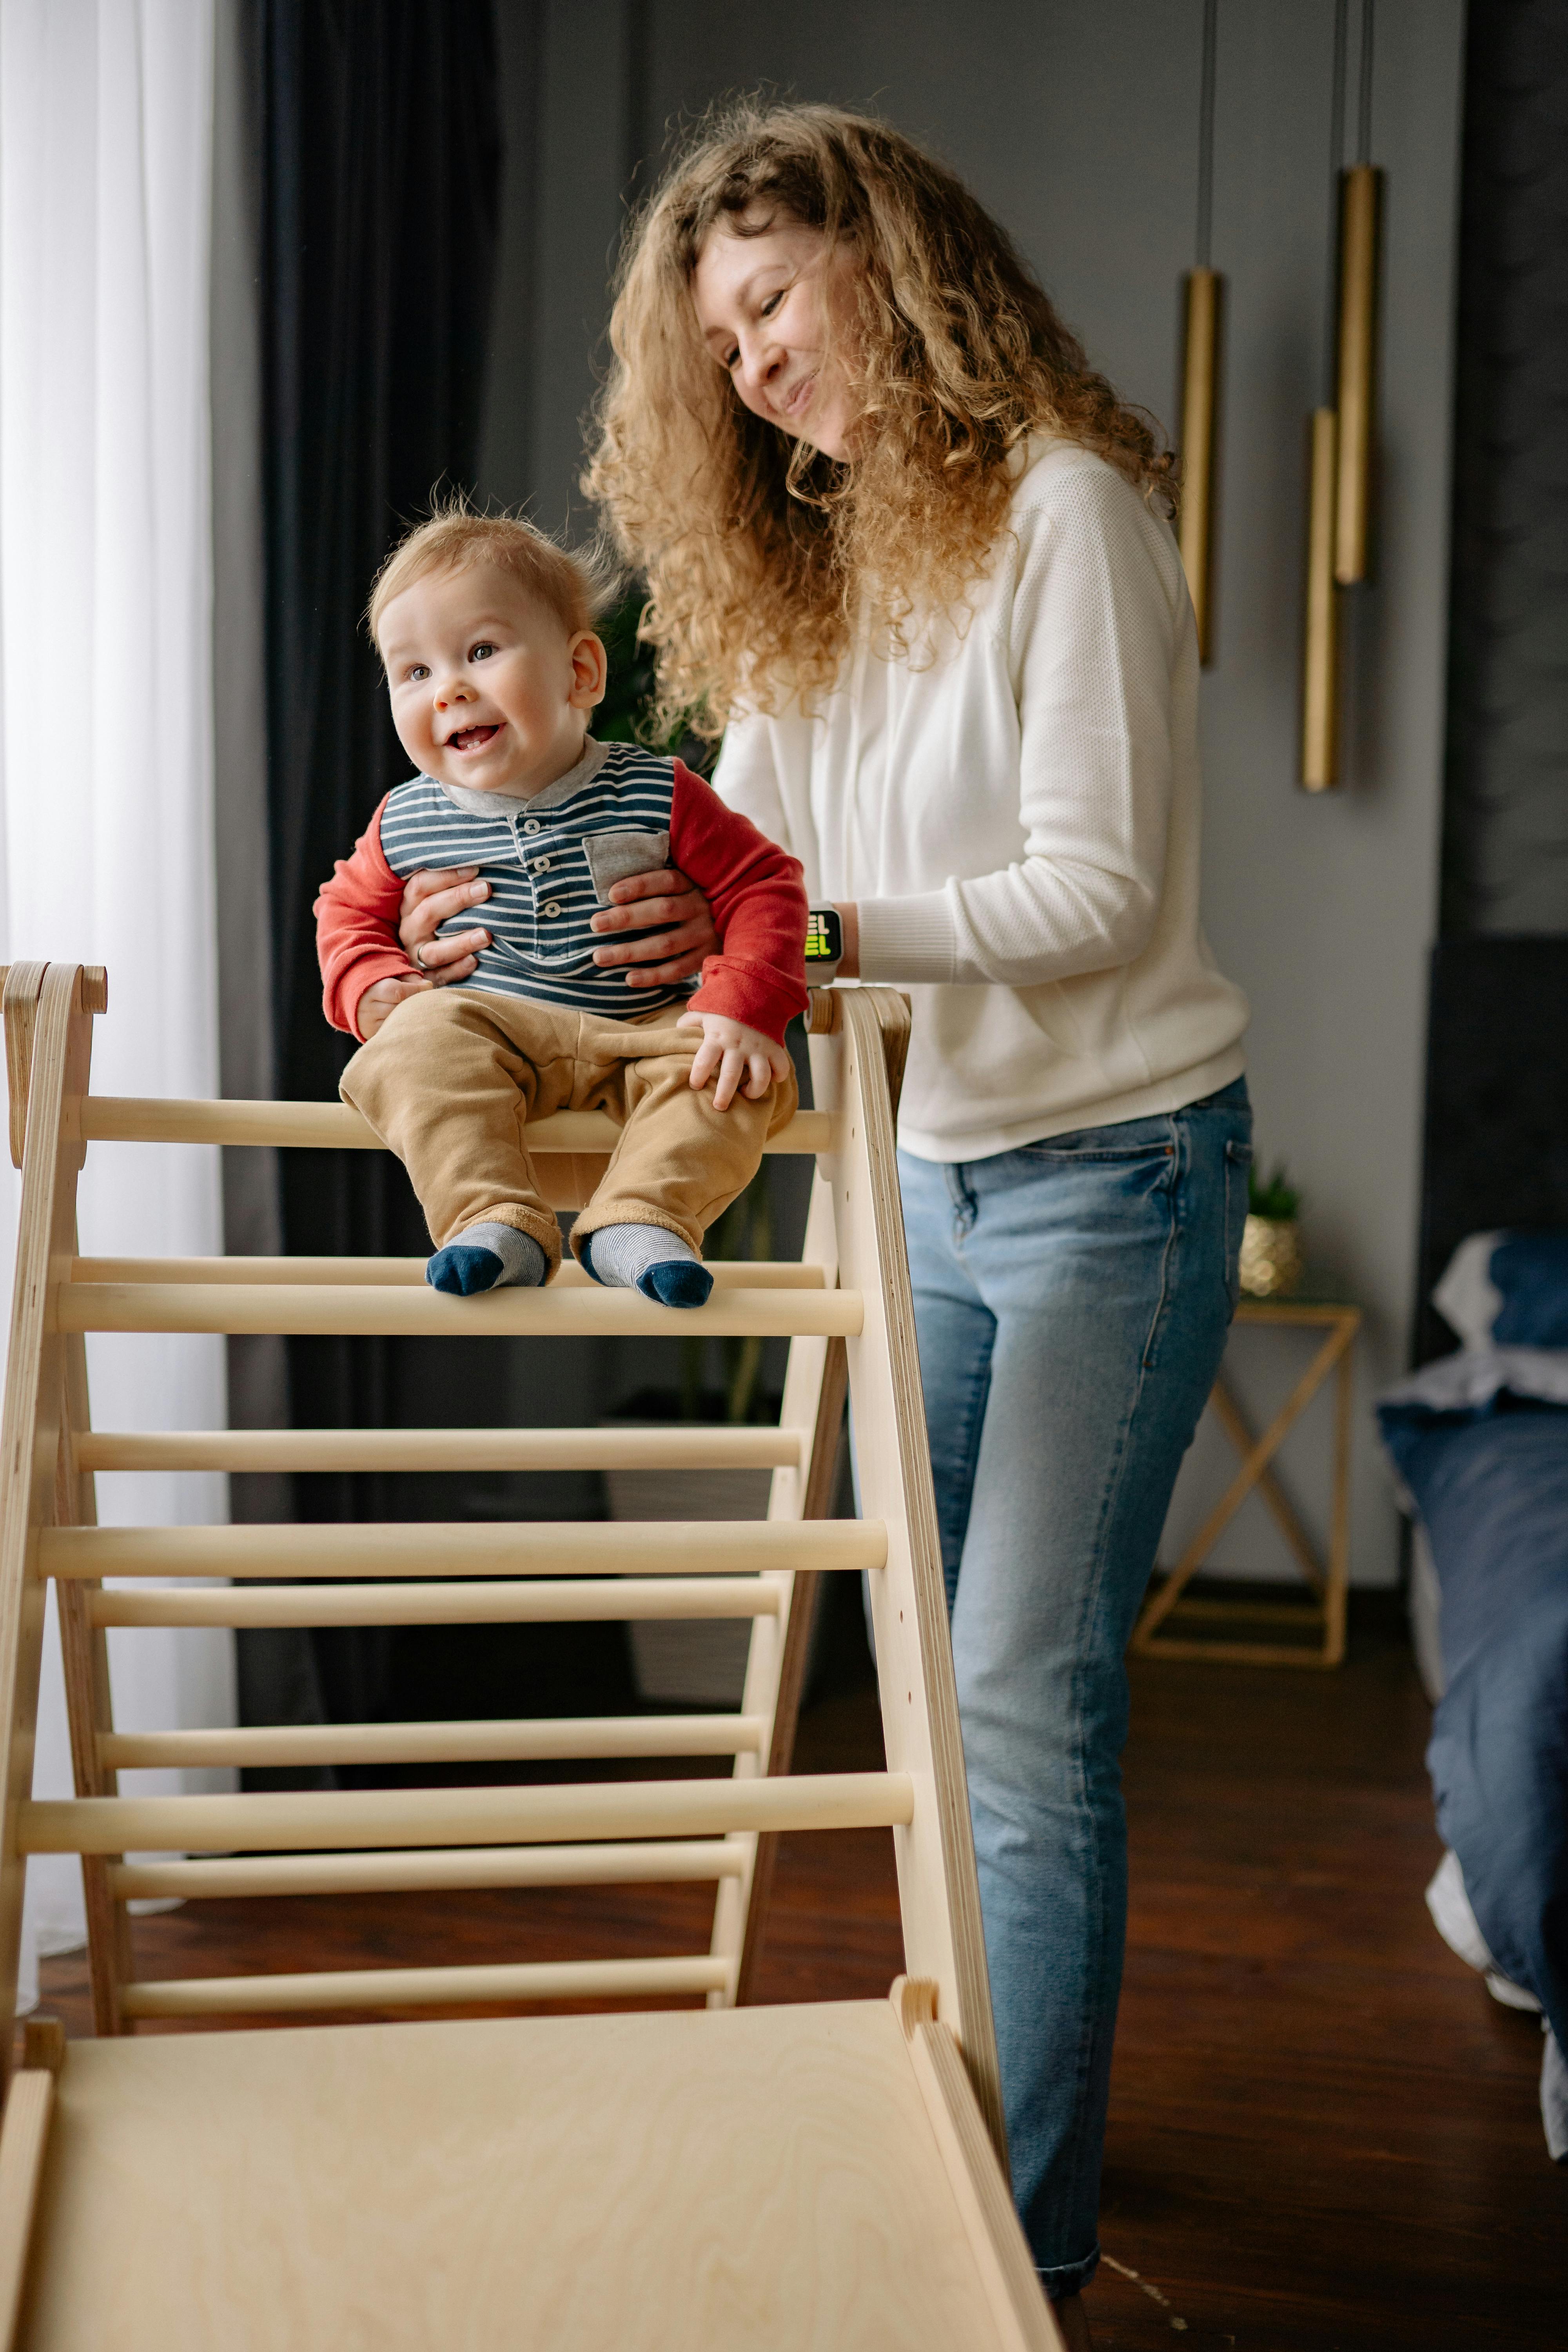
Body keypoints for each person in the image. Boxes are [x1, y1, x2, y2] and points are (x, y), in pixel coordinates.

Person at [572, 100, 1252, 2345]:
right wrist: (596, 914)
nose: (749, 362)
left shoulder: (1072, 515)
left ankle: (1027, 2255)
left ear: (884, 259)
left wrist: (812, 944)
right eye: (720, 341)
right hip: (915, 1179)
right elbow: (744, 863)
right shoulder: (814, 563)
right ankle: (988, 2123)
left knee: (1020, 1707)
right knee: (939, 1714)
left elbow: (1095, 894)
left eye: (769, 300)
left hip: (1108, 1181)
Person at [315, 507, 807, 1305]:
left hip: (645, 1030)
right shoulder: (405, 818)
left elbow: (766, 886)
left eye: (479, 651)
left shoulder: (660, 791)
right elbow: (345, 913)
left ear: (580, 671)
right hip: (491, 1028)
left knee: (733, 1073)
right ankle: (489, 1217)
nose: (450, 690)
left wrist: (741, 1003)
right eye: (415, 672)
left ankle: (643, 1218)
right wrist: (369, 981)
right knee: (413, 1044)